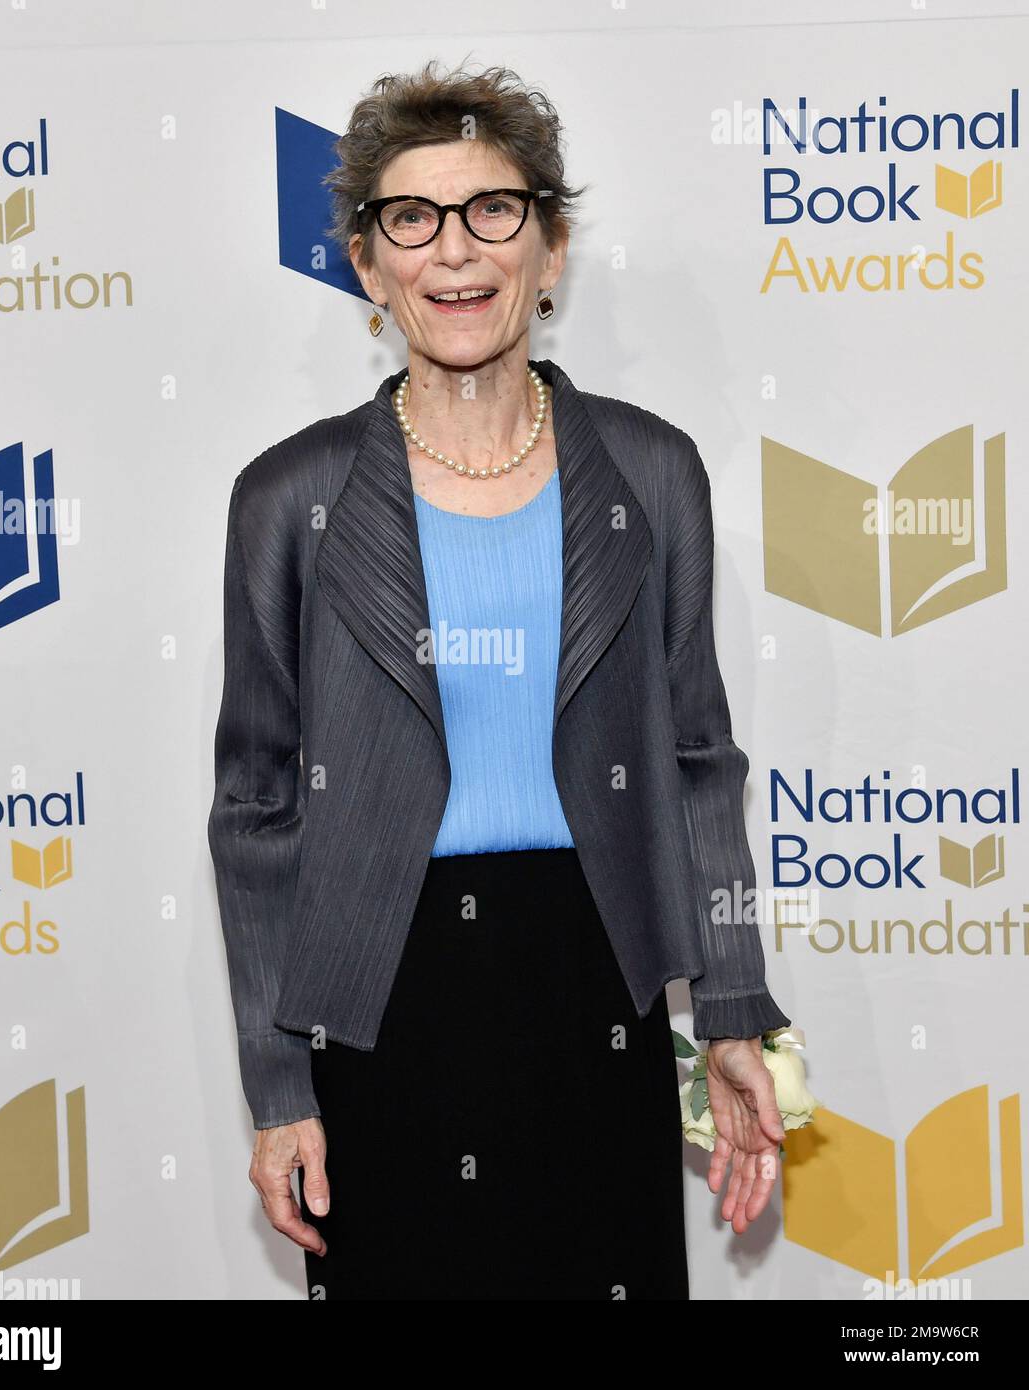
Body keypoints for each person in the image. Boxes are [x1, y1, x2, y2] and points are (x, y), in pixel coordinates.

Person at [207, 59, 791, 1301]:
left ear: (552, 246)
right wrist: (277, 1086)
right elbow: (255, 814)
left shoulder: (650, 471)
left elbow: (696, 763)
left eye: (494, 210)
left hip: (600, 987)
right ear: (367, 265)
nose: (455, 251)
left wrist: (735, 1006)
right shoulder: (288, 500)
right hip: (381, 999)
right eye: (410, 219)